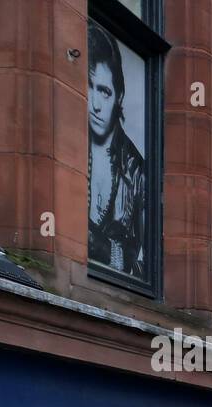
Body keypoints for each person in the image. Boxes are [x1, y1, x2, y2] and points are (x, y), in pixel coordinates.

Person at [87, 24, 146, 279]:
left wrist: (100, 247)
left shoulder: (136, 172)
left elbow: (141, 265)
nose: (95, 105)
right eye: (89, 87)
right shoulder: (69, 142)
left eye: (104, 91)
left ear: (118, 96)